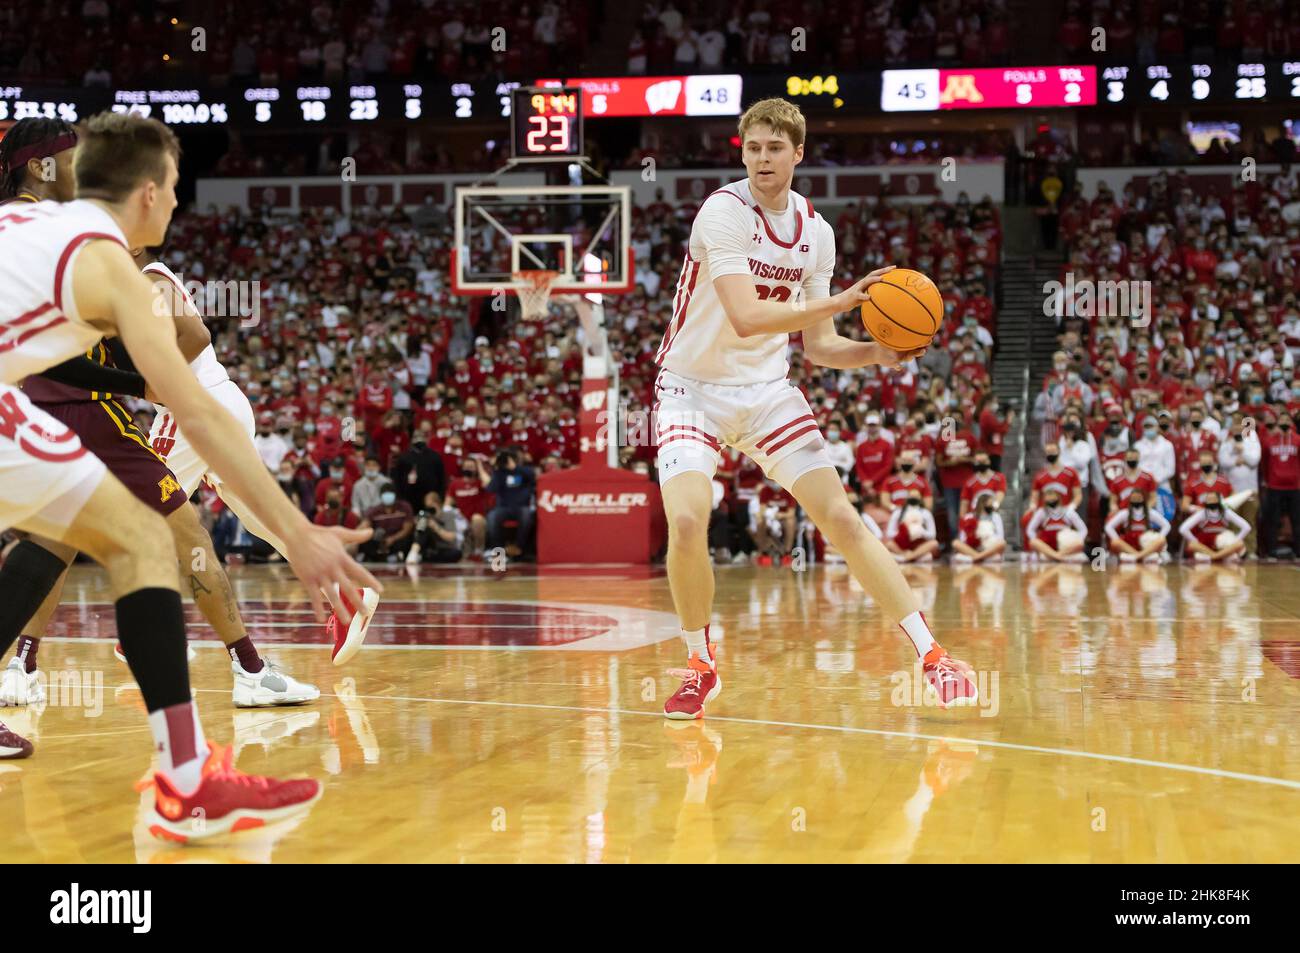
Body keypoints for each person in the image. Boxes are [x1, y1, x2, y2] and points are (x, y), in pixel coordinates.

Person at [0, 112, 379, 837]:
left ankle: (184, 775)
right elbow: (200, 414)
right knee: (139, 539)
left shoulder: (37, 231)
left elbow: (48, 356)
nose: (179, 202)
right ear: (145, 193)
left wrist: (129, 390)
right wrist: (296, 533)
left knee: (110, 539)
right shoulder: (109, 261)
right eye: (173, 187)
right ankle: (184, 782)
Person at [651, 98, 978, 717]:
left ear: (797, 154)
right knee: (689, 523)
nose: (763, 159)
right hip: (691, 388)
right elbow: (748, 317)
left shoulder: (816, 232)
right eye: (753, 147)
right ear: (741, 151)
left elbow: (822, 349)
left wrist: (877, 354)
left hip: (768, 391)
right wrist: (848, 298)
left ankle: (933, 656)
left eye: (775, 148)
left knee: (844, 521)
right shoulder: (722, 213)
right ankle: (700, 664)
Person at [0, 132, 323, 711]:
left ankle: (21, 666)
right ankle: (245, 676)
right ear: (41, 166)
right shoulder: (44, 231)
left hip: (38, 404)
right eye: (76, 159)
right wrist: (136, 376)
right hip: (79, 407)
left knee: (51, 544)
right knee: (182, 533)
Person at [1218, 415, 1261, 556]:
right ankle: (1234, 551)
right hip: (1232, 491)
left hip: (1250, 491)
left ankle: (1250, 550)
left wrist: (1242, 450)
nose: (1237, 427)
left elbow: (1255, 460)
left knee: (1249, 521)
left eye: (1239, 424)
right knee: (1232, 522)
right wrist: (1235, 462)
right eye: (1234, 425)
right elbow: (1222, 461)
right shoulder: (1226, 442)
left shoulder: (1252, 440)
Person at [1260, 410, 1300, 558]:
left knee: (1297, 520)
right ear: (1277, 422)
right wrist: (1268, 479)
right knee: (1273, 520)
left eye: (1286, 419)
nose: (1284, 422)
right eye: (1281, 419)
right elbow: (1264, 462)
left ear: (1291, 423)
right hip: (1274, 486)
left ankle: (1298, 552)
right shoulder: (1269, 441)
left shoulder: (1298, 440)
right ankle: (1271, 551)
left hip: (1294, 487)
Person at [482, 448, 536, 556]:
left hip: (521, 506)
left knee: (527, 515)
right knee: (492, 517)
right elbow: (491, 488)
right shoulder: (499, 474)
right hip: (503, 508)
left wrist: (515, 467)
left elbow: (532, 476)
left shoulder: (524, 471)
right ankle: (498, 549)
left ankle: (518, 546)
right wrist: (496, 469)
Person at [1179, 491, 1249, 563]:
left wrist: (1236, 540)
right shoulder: (1202, 513)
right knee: (1191, 545)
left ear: (1219, 500)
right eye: (1209, 499)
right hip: (1205, 542)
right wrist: (1195, 540)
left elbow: (1246, 527)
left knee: (1239, 544)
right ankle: (1220, 556)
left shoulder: (1226, 512)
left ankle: (1213, 556)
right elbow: (1183, 529)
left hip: (1223, 539)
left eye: (1213, 499)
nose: (1211, 501)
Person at [1105, 490, 1172, 563]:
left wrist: (1158, 537)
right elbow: (1108, 527)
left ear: (1143, 499)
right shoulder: (1124, 513)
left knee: (1162, 540)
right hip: (1129, 545)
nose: (1136, 500)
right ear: (1130, 499)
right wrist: (1117, 538)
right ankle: (1142, 556)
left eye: (1138, 498)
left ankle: (1136, 557)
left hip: (1145, 545)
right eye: (1134, 498)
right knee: (1115, 542)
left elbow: (1166, 525)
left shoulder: (1150, 513)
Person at [1024, 490, 1088, 563]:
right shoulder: (1041, 512)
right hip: (1047, 542)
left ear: (1058, 498)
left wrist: (1077, 539)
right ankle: (1058, 556)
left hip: (1065, 542)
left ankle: (1055, 555)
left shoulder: (1069, 511)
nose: (1051, 500)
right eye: (1048, 498)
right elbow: (1030, 529)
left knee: (1080, 544)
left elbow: (1083, 529)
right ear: (1044, 499)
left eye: (1053, 498)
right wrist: (1035, 538)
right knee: (1033, 542)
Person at [359, 483, 416, 561]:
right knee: (366, 541)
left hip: (398, 539)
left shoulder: (405, 508)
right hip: (379, 539)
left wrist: (393, 538)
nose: (388, 497)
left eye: (390, 494)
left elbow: (407, 529)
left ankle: (397, 556)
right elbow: (365, 525)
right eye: (385, 495)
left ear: (395, 495)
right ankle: (373, 556)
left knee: (407, 540)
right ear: (381, 496)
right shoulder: (374, 510)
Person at [407, 490, 463, 563]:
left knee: (456, 553)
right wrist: (417, 523)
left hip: (444, 548)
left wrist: (435, 527)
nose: (430, 510)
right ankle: (414, 552)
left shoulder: (448, 515)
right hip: (430, 548)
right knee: (423, 523)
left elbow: (451, 537)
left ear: (438, 504)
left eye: (431, 507)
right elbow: (418, 531)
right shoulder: (426, 515)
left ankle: (423, 557)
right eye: (428, 507)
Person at [952, 491, 1006, 564]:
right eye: (990, 503)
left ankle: (976, 558)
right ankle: (981, 557)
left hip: (989, 547)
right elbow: (962, 537)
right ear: (982, 503)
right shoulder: (969, 516)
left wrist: (987, 539)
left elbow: (1000, 536)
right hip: (972, 547)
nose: (992, 505)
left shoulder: (996, 516)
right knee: (955, 543)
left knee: (1002, 543)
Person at [884, 494, 940, 563]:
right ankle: (906, 555)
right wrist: (904, 533)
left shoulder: (926, 513)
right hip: (902, 545)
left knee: (934, 543)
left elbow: (932, 535)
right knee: (889, 544)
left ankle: (910, 557)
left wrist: (921, 532)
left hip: (918, 545)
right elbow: (889, 533)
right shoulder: (898, 512)